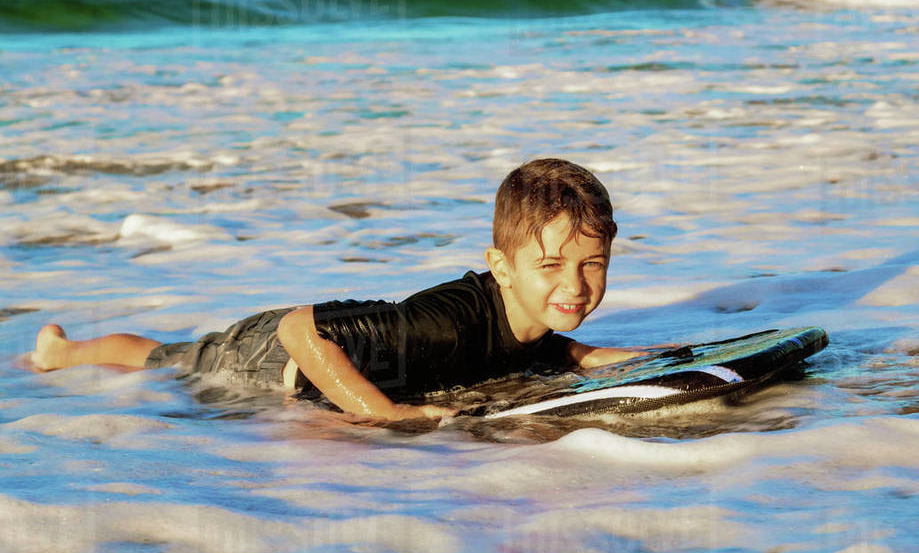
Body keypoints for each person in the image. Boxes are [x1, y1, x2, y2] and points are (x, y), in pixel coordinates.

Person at [32, 158, 641, 422]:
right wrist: (386, 414)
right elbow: (302, 330)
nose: (575, 285)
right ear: (501, 268)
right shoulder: (446, 321)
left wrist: (615, 359)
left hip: (314, 368)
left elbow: (538, 347)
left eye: (592, 264)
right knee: (171, 358)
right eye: (553, 266)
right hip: (271, 355)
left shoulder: (530, 313)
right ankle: (62, 352)